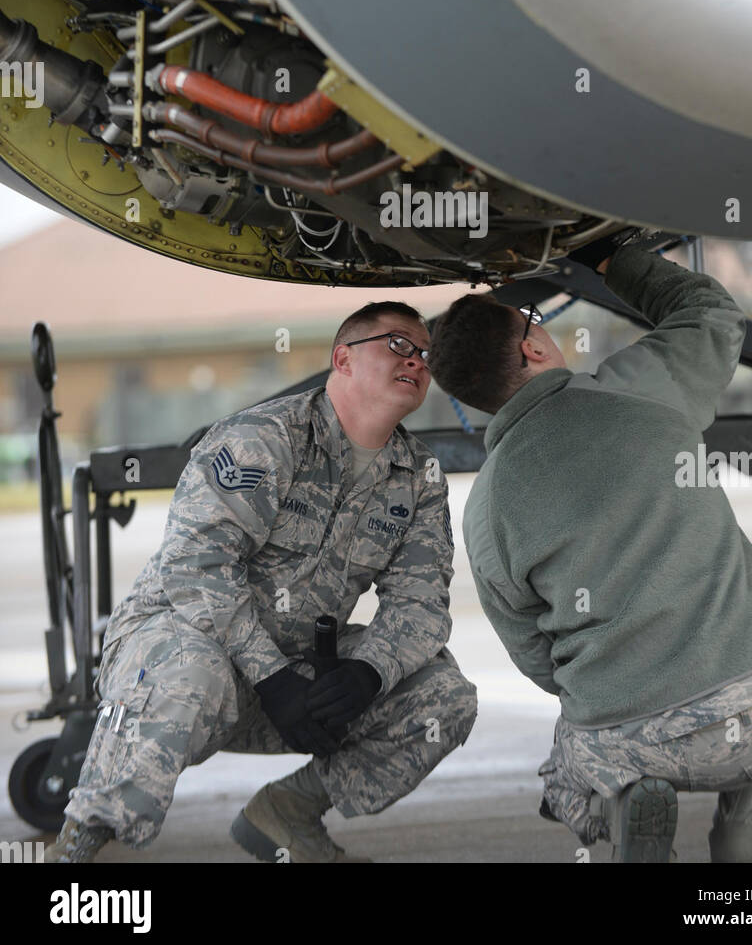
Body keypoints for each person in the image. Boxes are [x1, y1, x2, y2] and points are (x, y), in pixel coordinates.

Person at [426, 235, 752, 862]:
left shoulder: (484, 509)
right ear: (535, 347)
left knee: (571, 758)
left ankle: (629, 808)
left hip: (624, 739)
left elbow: (535, 661)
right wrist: (614, 259)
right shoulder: (641, 387)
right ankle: (743, 825)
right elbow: (712, 313)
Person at [48, 301, 476, 863]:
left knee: (444, 697)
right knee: (190, 670)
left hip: (294, 679)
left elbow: (421, 606)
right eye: (398, 345)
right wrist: (273, 680)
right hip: (183, 649)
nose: (417, 361)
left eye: (425, 354)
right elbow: (196, 569)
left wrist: (367, 674)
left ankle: (288, 813)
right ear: (342, 359)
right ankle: (76, 847)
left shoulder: (417, 478)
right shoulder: (264, 439)